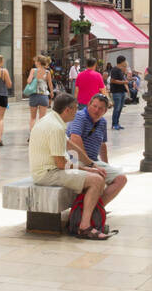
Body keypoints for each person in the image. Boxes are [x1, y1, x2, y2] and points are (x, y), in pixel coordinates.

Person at [29, 93, 110, 240]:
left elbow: (70, 145)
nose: (77, 111)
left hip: (50, 169)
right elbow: (61, 164)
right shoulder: (56, 128)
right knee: (97, 180)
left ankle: (86, 215)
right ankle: (84, 226)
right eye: (75, 108)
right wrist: (86, 169)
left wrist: (91, 164)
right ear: (67, 110)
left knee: (96, 175)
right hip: (47, 174)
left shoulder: (51, 119)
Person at [66, 94, 129, 211]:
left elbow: (102, 144)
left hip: (92, 160)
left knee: (119, 178)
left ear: (105, 111)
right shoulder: (80, 117)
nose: (96, 110)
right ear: (89, 104)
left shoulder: (102, 122)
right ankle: (92, 211)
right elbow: (75, 139)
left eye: (100, 108)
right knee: (111, 178)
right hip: (75, 160)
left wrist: (106, 164)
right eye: (94, 106)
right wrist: (90, 163)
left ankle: (94, 209)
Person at [25, 54, 53, 139]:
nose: (35, 63)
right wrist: (51, 93)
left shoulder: (33, 70)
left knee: (33, 118)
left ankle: (32, 135)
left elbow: (29, 81)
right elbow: (50, 84)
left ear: (38, 62)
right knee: (42, 119)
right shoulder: (48, 72)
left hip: (33, 96)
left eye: (36, 61)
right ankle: (41, 137)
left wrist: (34, 79)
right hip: (43, 96)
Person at [108, 56, 129, 130]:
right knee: (116, 108)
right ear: (122, 61)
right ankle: (114, 124)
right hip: (116, 92)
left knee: (119, 109)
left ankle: (117, 123)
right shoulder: (115, 70)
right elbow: (112, 80)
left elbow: (122, 79)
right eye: (125, 61)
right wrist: (124, 82)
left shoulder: (120, 70)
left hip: (121, 91)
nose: (125, 62)